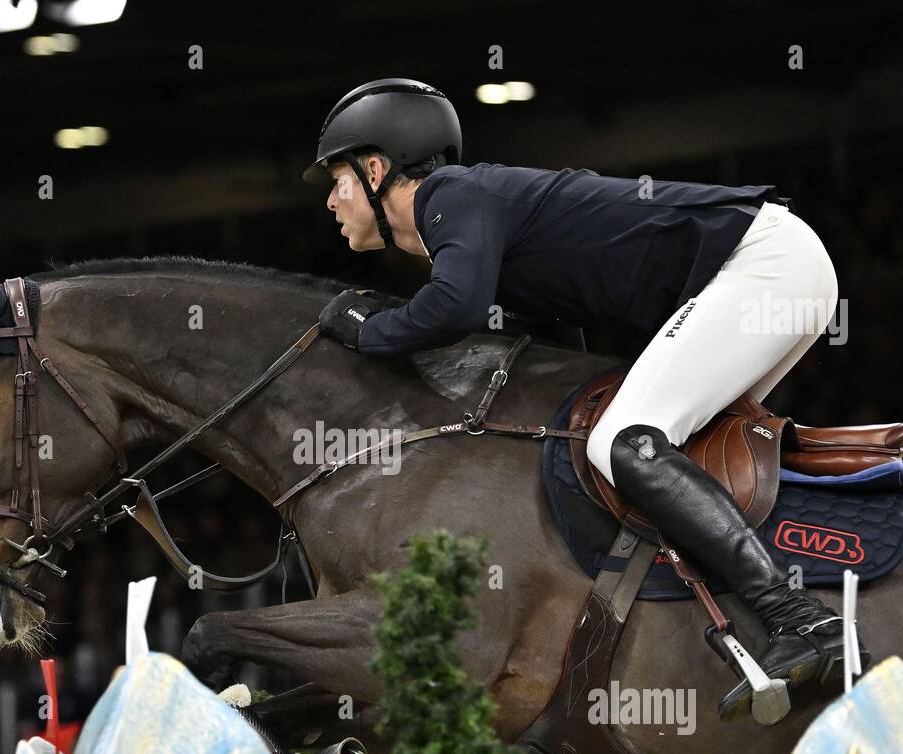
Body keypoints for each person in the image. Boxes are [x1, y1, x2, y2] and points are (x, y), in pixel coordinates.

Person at [305, 79, 866, 721]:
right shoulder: (473, 215)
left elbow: (453, 307)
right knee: (653, 457)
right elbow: (560, 342)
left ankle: (803, 620)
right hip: (773, 267)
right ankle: (757, 619)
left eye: (337, 179)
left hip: (759, 267)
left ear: (376, 169)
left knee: (624, 440)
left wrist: (362, 329)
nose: (330, 200)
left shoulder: (452, 195)